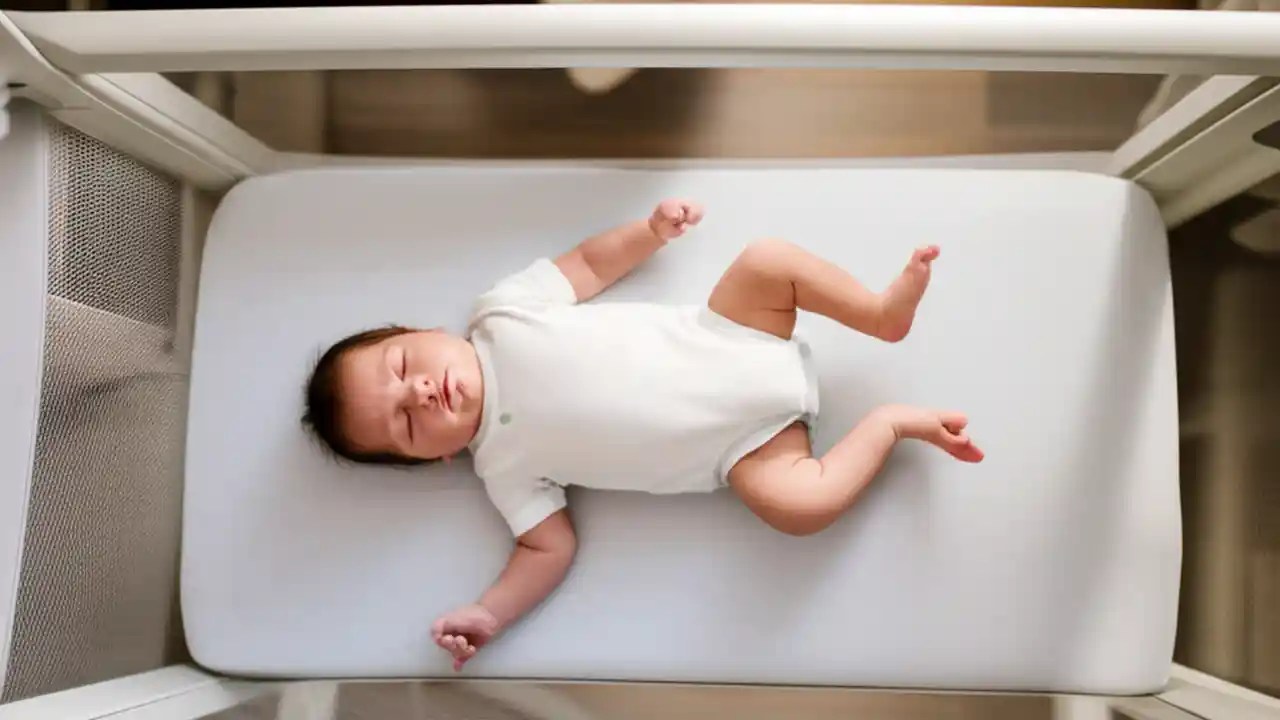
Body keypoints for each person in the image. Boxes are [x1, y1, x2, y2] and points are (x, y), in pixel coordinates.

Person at [302, 199, 984, 671]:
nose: (420, 393)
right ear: (436, 456)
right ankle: (891, 424)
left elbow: (588, 265)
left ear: (420, 332)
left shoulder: (501, 312)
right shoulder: (503, 468)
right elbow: (546, 549)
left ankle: (880, 314)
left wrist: (650, 232)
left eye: (403, 368)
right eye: (406, 422)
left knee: (766, 258)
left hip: (735, 333)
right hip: (746, 449)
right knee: (797, 509)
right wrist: (489, 612)